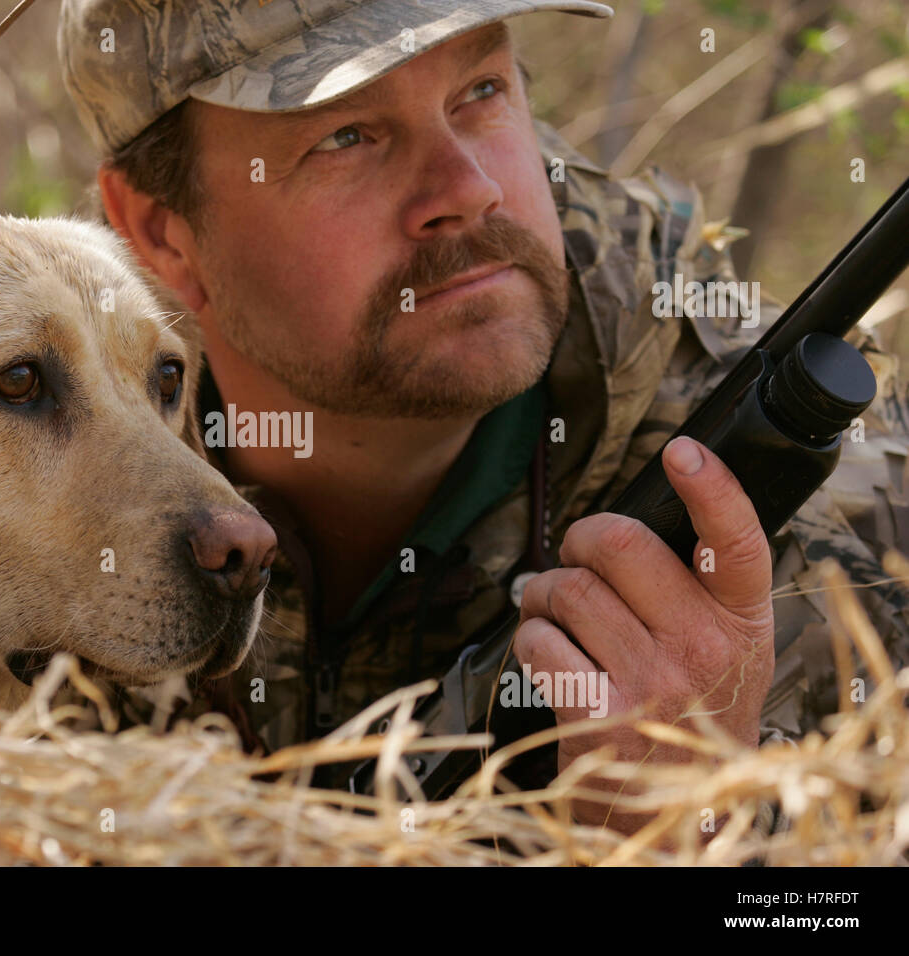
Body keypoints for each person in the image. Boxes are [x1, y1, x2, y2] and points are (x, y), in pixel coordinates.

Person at [55, 0, 909, 833]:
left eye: (482, 92)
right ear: (161, 234)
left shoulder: (839, 514)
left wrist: (693, 832)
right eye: (344, 137)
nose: (469, 188)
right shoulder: (3, 472)